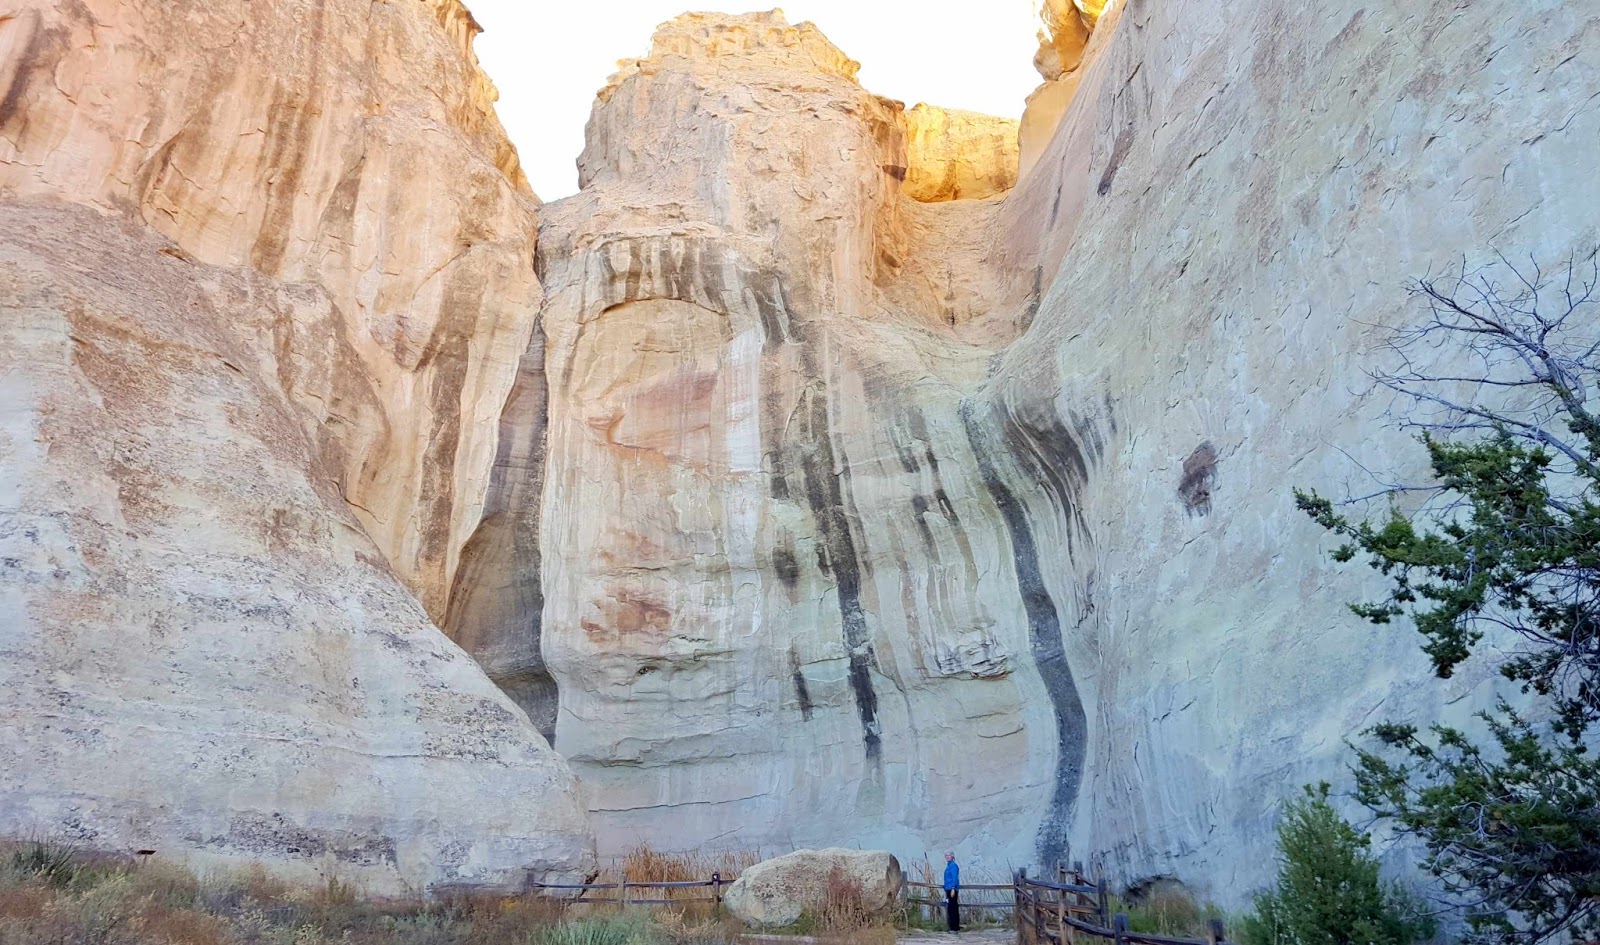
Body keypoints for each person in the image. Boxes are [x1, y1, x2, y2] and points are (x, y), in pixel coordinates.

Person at [942, 851, 960, 933]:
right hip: (948, 889)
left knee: (953, 908)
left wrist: (953, 888)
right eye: (946, 855)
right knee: (950, 907)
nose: (948, 856)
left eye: (949, 855)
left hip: (952, 889)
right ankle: (952, 926)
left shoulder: (953, 866)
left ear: (953, 856)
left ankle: (955, 928)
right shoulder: (949, 866)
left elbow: (954, 878)